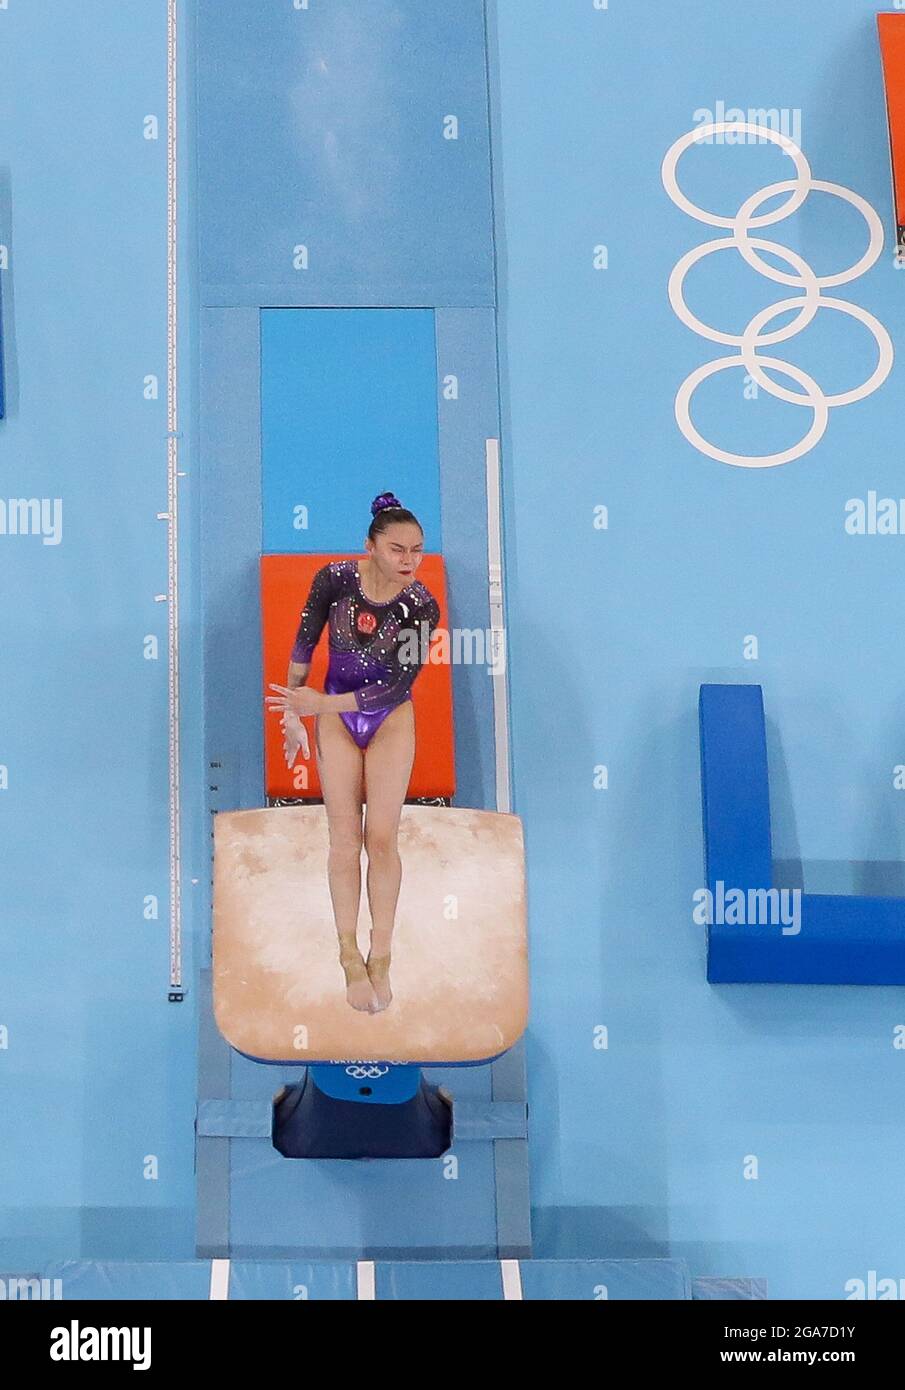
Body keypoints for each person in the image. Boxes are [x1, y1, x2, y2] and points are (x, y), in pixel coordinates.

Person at [265, 492, 441, 1014]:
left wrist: (320, 704)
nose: (409, 561)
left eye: (417, 550)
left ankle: (381, 954)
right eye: (397, 549)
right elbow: (303, 646)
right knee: (344, 841)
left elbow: (397, 685)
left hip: (388, 717)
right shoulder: (335, 579)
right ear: (370, 546)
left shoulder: (421, 606)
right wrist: (295, 713)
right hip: (334, 716)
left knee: (381, 840)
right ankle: (348, 955)